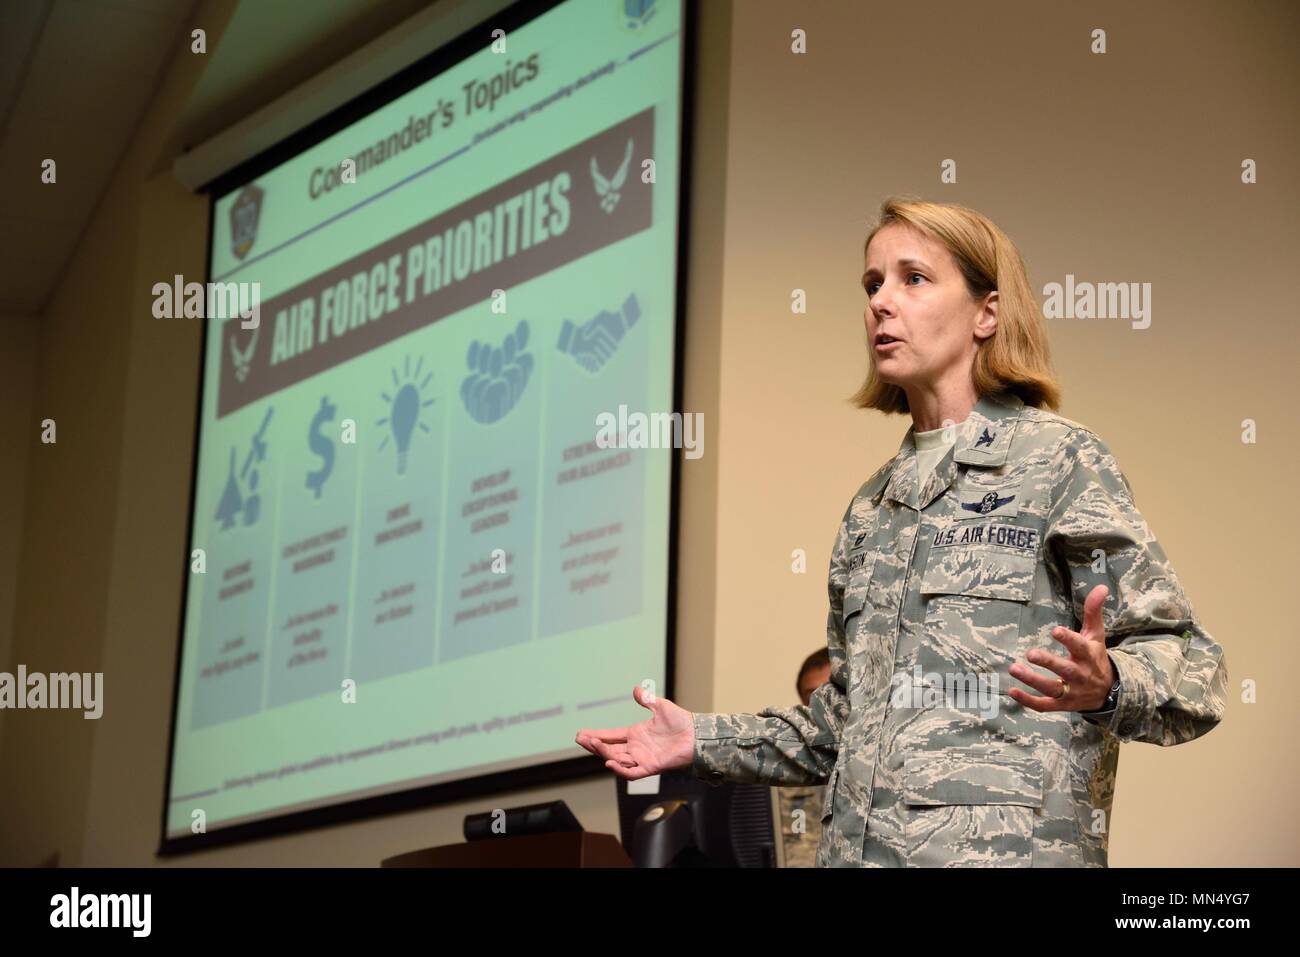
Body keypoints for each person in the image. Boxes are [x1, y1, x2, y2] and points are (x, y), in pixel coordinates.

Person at [575, 197, 1227, 867]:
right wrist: (699, 740)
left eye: (913, 278)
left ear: (987, 312)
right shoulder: (871, 506)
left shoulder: (1058, 461)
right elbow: (842, 725)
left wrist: (1111, 680)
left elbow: (1194, 667)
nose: (881, 302)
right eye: (872, 283)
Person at [777, 649, 832, 867]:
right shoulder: (781, 772)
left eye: (832, 694)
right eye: (812, 696)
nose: (824, 707)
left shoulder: (881, 768)